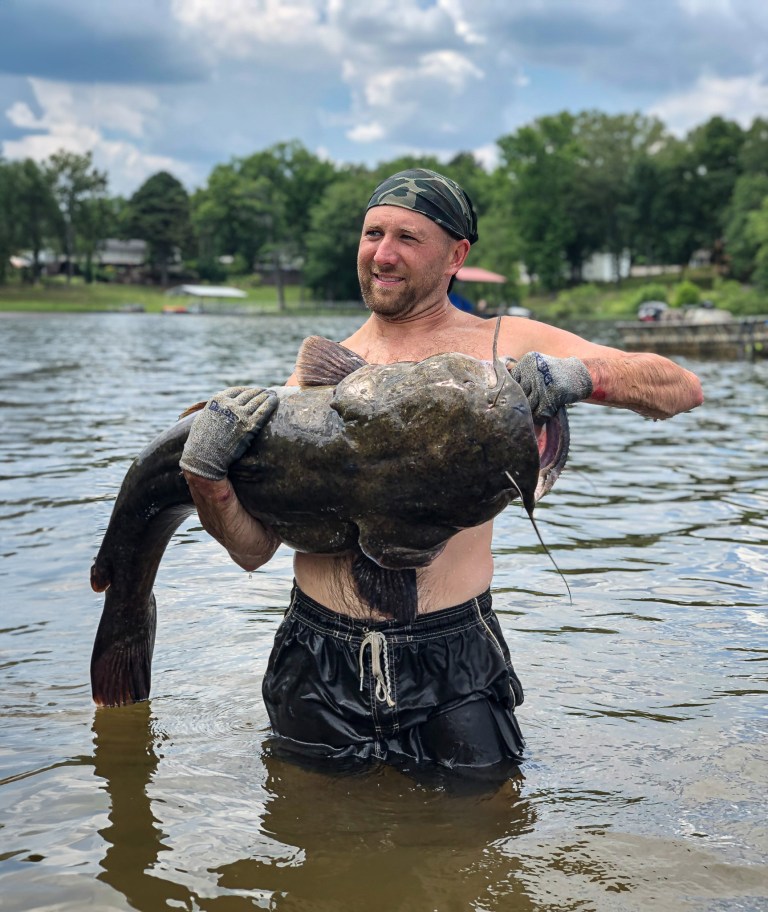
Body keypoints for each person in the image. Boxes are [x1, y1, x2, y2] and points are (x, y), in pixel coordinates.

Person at [180, 168, 703, 774]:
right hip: (315, 660)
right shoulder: (311, 384)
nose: (384, 252)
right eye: (373, 232)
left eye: (408, 236)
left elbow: (680, 387)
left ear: (457, 254)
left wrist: (579, 377)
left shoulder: (504, 343)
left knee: (476, 841)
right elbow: (252, 551)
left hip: (452, 659)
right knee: (315, 845)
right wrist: (205, 476)